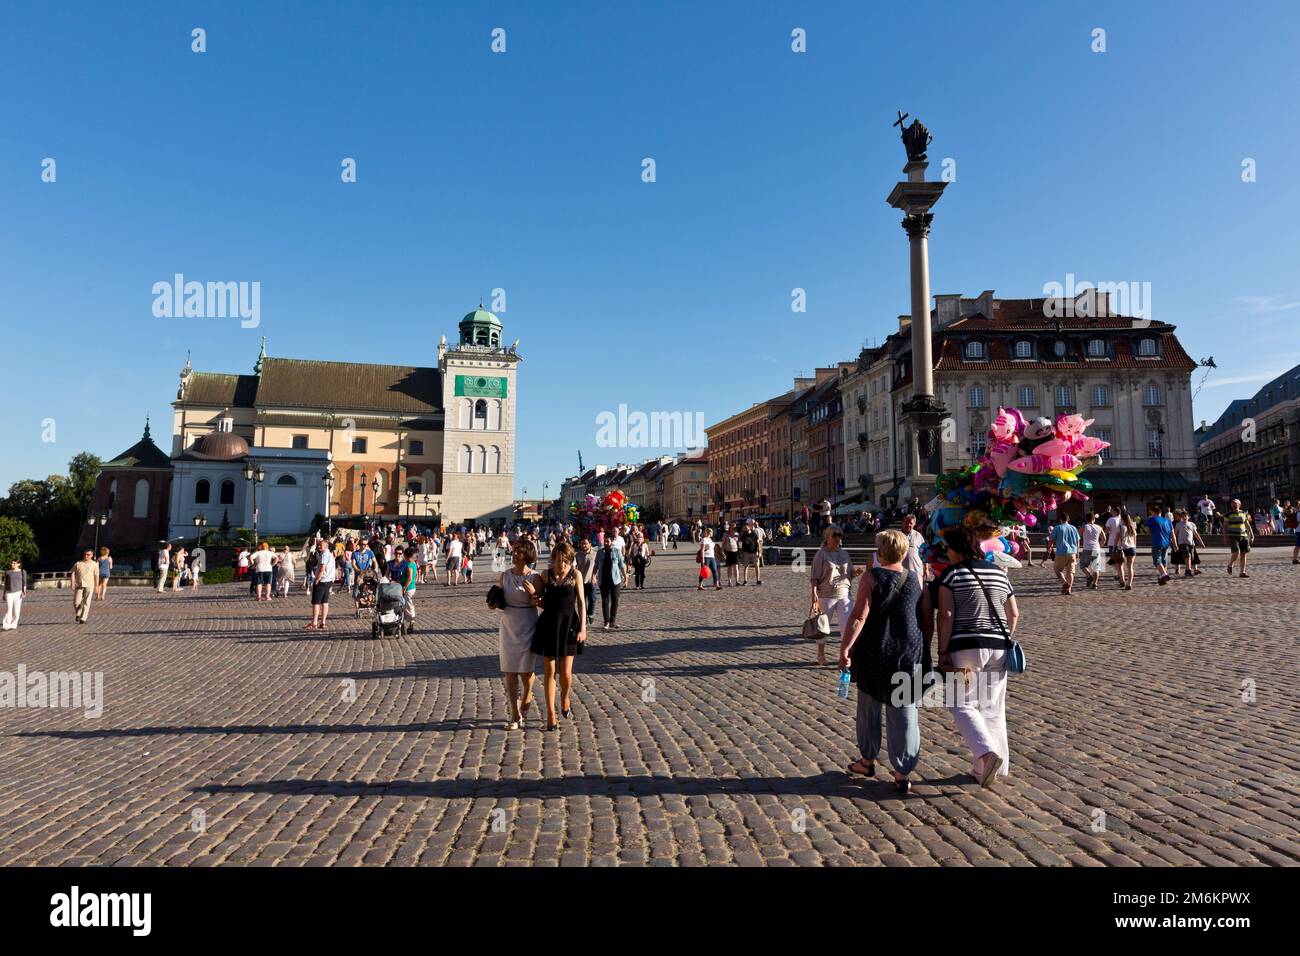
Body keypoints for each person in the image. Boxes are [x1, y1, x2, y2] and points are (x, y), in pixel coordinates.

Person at [840, 529, 924, 793]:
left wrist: (845, 648)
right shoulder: (915, 579)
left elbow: (858, 616)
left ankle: (867, 760)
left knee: (869, 708)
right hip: (908, 652)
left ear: (879, 552)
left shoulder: (871, 576)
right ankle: (902, 772)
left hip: (875, 650)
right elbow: (924, 617)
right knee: (905, 713)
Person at [936, 527, 1019, 788]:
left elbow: (946, 615)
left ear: (958, 548)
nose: (946, 552)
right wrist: (1003, 636)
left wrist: (942, 651)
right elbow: (1014, 613)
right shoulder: (998, 572)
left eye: (948, 547)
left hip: (967, 646)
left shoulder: (952, 575)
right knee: (992, 706)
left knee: (961, 703)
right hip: (999, 647)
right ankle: (991, 767)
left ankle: (985, 753)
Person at [527, 540, 587, 730]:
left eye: (563, 561)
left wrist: (583, 628)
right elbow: (542, 602)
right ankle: (551, 714)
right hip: (549, 626)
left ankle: (565, 697)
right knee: (550, 671)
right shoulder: (546, 576)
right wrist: (534, 599)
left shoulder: (575, 575)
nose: (559, 565)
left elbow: (581, 603)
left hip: (569, 626)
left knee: (566, 674)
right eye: (556, 560)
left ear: (569, 560)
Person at [498, 538, 542, 730]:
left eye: (519, 552)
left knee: (526, 671)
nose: (514, 554)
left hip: (528, 623)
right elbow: (499, 601)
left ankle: (528, 692)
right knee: (510, 671)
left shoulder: (535, 577)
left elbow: (540, 603)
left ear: (527, 555)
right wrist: (493, 602)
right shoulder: (504, 576)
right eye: (514, 551)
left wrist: (534, 594)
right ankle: (515, 716)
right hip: (508, 624)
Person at [809, 525, 861, 667]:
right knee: (823, 627)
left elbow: (849, 572)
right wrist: (813, 594)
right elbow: (814, 577)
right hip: (826, 595)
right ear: (827, 537)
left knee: (847, 627)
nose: (838, 538)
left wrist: (855, 573)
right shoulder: (821, 554)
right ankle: (821, 654)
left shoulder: (844, 554)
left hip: (844, 594)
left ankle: (844, 656)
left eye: (840, 535)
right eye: (835, 535)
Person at [594, 534, 625, 629]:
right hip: (603, 580)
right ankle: (606, 622)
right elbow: (596, 565)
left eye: (608, 541)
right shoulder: (600, 552)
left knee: (615, 600)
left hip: (615, 580)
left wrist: (625, 577)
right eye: (605, 541)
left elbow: (621, 565)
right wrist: (593, 576)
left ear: (611, 541)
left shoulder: (617, 551)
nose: (606, 543)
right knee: (605, 601)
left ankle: (612, 621)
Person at [307, 539, 336, 630]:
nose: (319, 546)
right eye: (319, 545)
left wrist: (317, 579)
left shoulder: (324, 555)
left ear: (326, 546)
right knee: (325, 601)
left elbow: (322, 569)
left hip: (322, 580)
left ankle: (314, 622)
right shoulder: (330, 554)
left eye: (321, 545)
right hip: (329, 580)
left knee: (316, 602)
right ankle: (323, 622)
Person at [1223, 498, 1254, 577]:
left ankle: (1242, 572)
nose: (1234, 505)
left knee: (1243, 554)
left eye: (1235, 504)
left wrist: (1252, 534)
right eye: (1232, 504)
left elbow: (1247, 524)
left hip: (1243, 535)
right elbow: (1225, 527)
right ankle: (1230, 565)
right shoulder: (1228, 514)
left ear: (1239, 505)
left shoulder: (1243, 513)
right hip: (1233, 536)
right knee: (1236, 552)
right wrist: (1225, 537)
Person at [1050, 513, 1080, 595]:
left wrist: (1049, 547)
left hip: (1061, 552)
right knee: (1070, 572)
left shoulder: (1058, 528)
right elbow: (1077, 541)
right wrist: (1077, 552)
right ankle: (1069, 590)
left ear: (1060, 519)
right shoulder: (1074, 528)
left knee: (1057, 570)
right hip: (1072, 552)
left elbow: (1051, 539)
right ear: (1068, 519)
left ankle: (1065, 583)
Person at [1144, 505, 1173, 586]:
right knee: (1164, 560)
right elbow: (1172, 533)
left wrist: (1149, 531)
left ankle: (1164, 574)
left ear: (1155, 512)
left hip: (1157, 542)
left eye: (1151, 513)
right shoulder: (1167, 520)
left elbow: (1147, 530)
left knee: (1156, 560)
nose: (1151, 514)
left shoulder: (1152, 519)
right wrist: (1175, 543)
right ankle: (1162, 578)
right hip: (1167, 543)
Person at [574, 536, 597, 627]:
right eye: (582, 544)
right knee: (582, 601)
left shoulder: (595, 554)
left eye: (585, 543)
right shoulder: (577, 555)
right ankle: (585, 618)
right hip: (580, 582)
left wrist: (595, 576)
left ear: (590, 544)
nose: (584, 545)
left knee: (592, 599)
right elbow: (575, 567)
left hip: (591, 581)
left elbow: (598, 566)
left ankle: (590, 614)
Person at [72, 549, 99, 624]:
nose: (86, 556)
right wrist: (73, 583)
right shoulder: (78, 563)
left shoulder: (94, 564)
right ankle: (78, 612)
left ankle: (83, 618)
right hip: (79, 585)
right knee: (76, 602)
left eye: (88, 555)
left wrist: (97, 586)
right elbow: (73, 573)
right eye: (85, 554)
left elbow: (96, 576)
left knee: (87, 602)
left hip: (89, 585)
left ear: (92, 555)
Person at [1078, 513, 1103, 589]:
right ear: (1094, 519)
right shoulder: (1099, 527)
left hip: (1087, 549)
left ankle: (1089, 576)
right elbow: (1104, 538)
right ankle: (1095, 584)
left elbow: (1078, 536)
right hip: (1096, 549)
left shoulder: (1084, 527)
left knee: (1083, 565)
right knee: (1096, 567)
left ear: (1086, 519)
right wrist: (1099, 546)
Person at [396, 546, 418, 633]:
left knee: (408, 606)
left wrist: (404, 587)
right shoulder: (413, 563)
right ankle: (406, 622)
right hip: (410, 587)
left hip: (408, 588)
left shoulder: (409, 566)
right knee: (406, 606)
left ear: (405, 556)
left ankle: (411, 622)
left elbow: (409, 579)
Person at [3, 558, 27, 630]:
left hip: (18, 593)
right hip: (9, 593)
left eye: (14, 563)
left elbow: (24, 583)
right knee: (9, 609)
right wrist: (3, 594)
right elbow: (6, 584)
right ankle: (7, 624)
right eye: (12, 563)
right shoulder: (8, 572)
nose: (12, 564)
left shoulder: (22, 572)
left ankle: (14, 624)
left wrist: (24, 592)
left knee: (17, 610)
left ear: (19, 564)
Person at [739, 518, 764, 586]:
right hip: (746, 552)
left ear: (750, 528)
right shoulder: (743, 535)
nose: (746, 529)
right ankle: (745, 580)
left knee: (757, 566)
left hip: (754, 552)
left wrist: (759, 551)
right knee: (746, 566)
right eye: (745, 528)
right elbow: (740, 542)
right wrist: (741, 552)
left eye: (747, 528)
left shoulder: (754, 534)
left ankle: (758, 580)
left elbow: (758, 543)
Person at [697, 527, 721, 591]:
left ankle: (717, 585)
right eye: (711, 531)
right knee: (704, 571)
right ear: (708, 532)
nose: (712, 533)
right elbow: (702, 550)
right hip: (706, 557)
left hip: (712, 557)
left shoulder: (711, 540)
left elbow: (712, 549)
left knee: (714, 570)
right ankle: (700, 585)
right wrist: (702, 559)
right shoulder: (704, 539)